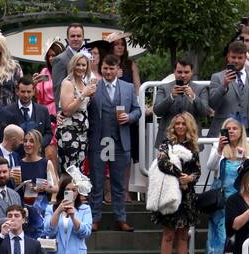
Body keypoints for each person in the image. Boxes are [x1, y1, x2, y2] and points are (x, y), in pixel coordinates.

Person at [87, 55, 140, 232]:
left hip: (119, 141)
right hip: (99, 141)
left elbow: (138, 110)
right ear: (101, 68)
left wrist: (130, 117)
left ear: (118, 69)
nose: (108, 72)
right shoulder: (93, 87)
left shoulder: (128, 87)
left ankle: (121, 218)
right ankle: (94, 218)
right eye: (105, 68)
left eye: (111, 69)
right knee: (97, 182)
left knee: (118, 184)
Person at [152, 113, 201, 254]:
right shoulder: (166, 144)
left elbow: (198, 171)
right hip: (170, 195)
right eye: (177, 123)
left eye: (183, 124)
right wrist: (181, 176)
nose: (180, 126)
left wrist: (190, 179)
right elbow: (162, 163)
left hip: (187, 197)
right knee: (168, 235)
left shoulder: (193, 146)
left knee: (183, 236)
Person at [204, 119, 249, 254]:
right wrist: (220, 149)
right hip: (222, 200)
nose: (232, 131)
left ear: (241, 132)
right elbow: (210, 166)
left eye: (235, 128)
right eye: (228, 129)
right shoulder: (218, 146)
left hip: (241, 200)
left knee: (238, 236)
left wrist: (246, 158)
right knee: (220, 236)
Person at [208, 42, 249, 137]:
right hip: (224, 131)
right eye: (233, 57)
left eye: (240, 58)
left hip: (248, 133)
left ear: (245, 58)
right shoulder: (217, 77)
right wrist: (224, 85)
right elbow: (212, 104)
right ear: (228, 57)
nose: (236, 61)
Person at [55, 53, 95, 176]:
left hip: (82, 133)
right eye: (78, 64)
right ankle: (65, 195)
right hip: (69, 132)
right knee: (69, 172)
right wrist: (83, 95)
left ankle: (78, 195)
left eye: (84, 65)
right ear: (72, 65)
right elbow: (67, 110)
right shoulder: (68, 83)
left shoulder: (84, 83)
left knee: (79, 172)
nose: (81, 68)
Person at [152, 60, 209, 145]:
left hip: (191, 138)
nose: (183, 75)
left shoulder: (200, 89)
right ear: (174, 72)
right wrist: (171, 96)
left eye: (186, 72)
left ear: (191, 73)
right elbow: (157, 111)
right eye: (179, 72)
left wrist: (194, 96)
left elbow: (204, 112)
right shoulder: (163, 87)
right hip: (167, 137)